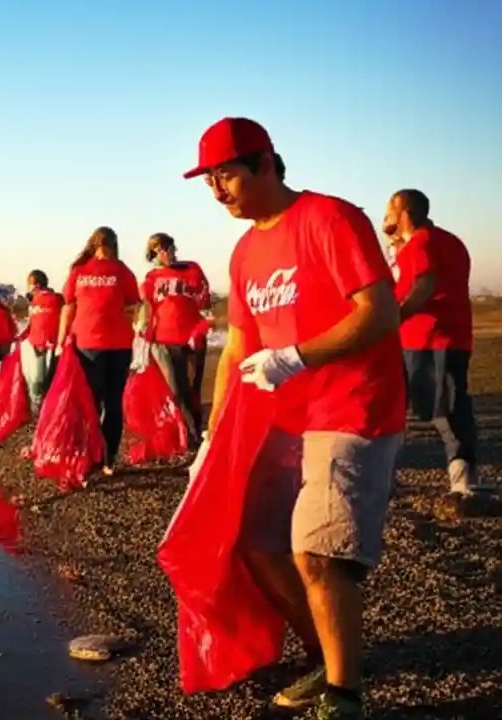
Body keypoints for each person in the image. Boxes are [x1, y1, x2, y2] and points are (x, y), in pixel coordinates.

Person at [188, 117, 404, 719]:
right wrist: (212, 436)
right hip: (281, 421)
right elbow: (236, 348)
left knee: (317, 552)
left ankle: (345, 696)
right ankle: (323, 656)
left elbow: (380, 313)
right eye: (209, 180)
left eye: (225, 174)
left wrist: (297, 355)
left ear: (265, 164)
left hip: (353, 406)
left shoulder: (330, 219)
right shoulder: (244, 251)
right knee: (253, 540)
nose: (217, 190)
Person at [383, 189, 482, 498]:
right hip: (432, 337)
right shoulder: (443, 241)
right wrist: (397, 244)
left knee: (446, 409)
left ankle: (463, 482)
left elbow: (425, 283)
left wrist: (394, 318)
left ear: (404, 214)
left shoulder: (423, 242)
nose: (384, 217)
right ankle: (387, 475)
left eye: (388, 211)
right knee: (402, 404)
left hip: (431, 337)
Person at [56, 227, 141, 476]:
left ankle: (107, 458)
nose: (105, 249)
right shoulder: (81, 271)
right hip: (89, 345)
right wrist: (60, 342)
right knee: (92, 403)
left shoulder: (121, 271)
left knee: (111, 403)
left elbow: (133, 305)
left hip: (116, 346)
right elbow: (68, 307)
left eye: (108, 244)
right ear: (95, 245)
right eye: (102, 244)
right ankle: (94, 455)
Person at [137, 233, 211, 444]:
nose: (165, 252)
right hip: (162, 340)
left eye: (167, 247)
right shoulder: (151, 278)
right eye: (158, 249)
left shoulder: (192, 269)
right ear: (152, 254)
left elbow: (205, 305)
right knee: (175, 388)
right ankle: (189, 436)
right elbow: (146, 309)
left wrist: (201, 330)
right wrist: (143, 334)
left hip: (192, 337)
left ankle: (196, 429)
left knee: (192, 387)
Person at [16, 270, 63, 410]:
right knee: (37, 378)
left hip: (49, 344)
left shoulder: (55, 299)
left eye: (29, 285)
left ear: (35, 285)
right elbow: (33, 323)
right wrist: (22, 336)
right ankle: (40, 406)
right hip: (37, 343)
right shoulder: (34, 302)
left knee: (41, 379)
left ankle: (43, 407)